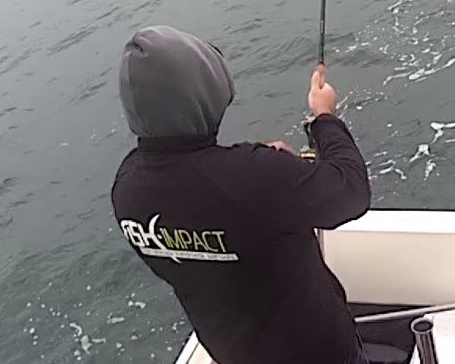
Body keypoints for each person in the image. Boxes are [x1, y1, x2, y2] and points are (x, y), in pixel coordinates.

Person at [111, 26, 372, 364]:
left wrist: (259, 168)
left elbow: (205, 204)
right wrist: (324, 117)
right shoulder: (254, 178)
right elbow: (351, 191)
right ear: (200, 95)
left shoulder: (127, 189)